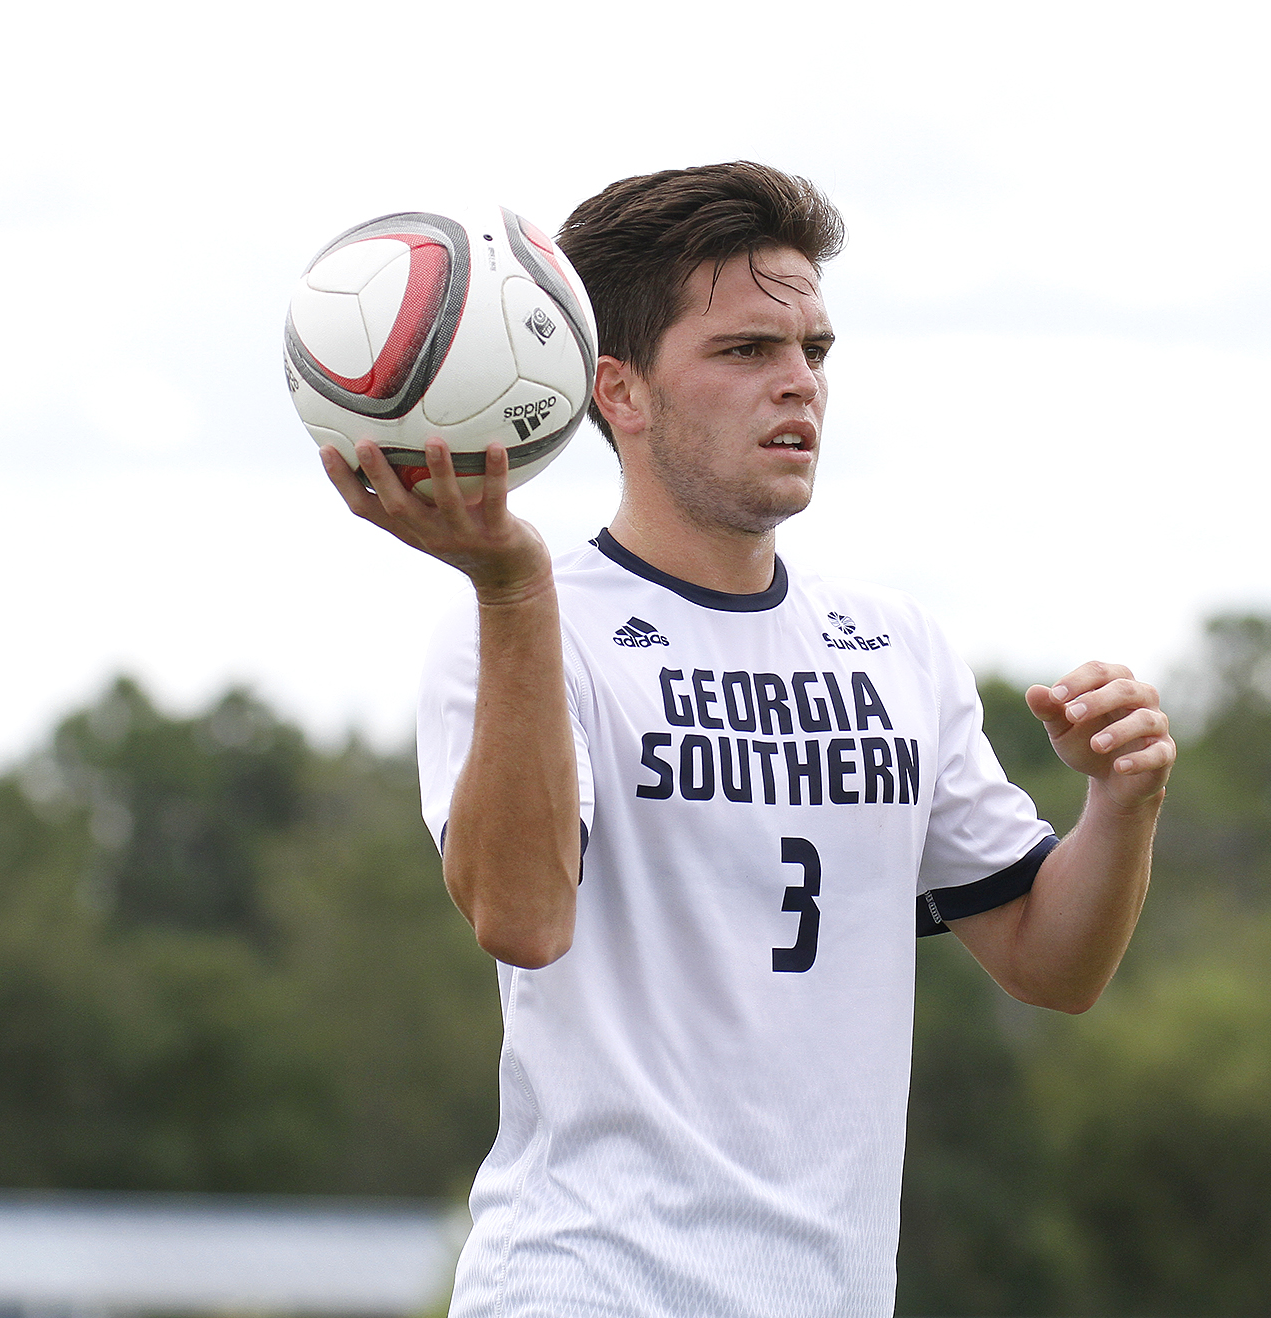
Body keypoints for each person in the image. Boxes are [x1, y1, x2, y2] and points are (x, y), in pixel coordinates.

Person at [320, 162, 1175, 1318]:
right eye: (744, 352)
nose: (798, 385)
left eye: (813, 350)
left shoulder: (896, 646)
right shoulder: (521, 626)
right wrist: (513, 587)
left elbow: (1051, 963)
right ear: (617, 391)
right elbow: (520, 920)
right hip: (589, 1287)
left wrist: (1121, 802)